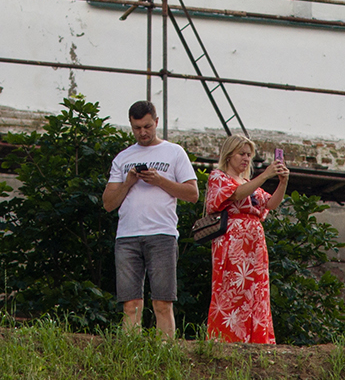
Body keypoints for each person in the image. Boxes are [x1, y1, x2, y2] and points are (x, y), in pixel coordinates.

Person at [102, 100, 198, 337]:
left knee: (162, 303)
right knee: (130, 304)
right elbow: (108, 203)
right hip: (127, 235)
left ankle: (164, 355)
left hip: (162, 234)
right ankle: (130, 354)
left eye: (147, 126)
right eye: (137, 128)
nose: (142, 133)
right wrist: (129, 182)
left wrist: (159, 181)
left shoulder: (174, 152)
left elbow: (193, 194)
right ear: (131, 126)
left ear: (156, 122)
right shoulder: (123, 157)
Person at [205, 134, 289, 345]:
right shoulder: (219, 177)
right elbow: (234, 195)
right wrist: (264, 176)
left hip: (254, 245)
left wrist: (283, 182)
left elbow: (269, 204)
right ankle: (227, 338)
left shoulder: (249, 183)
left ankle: (256, 338)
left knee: (256, 290)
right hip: (232, 242)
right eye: (241, 154)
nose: (245, 158)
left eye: (248, 155)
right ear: (229, 154)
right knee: (231, 289)